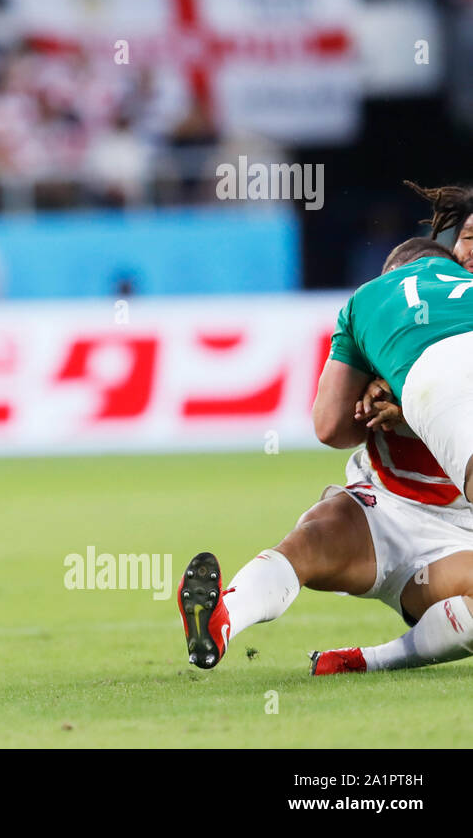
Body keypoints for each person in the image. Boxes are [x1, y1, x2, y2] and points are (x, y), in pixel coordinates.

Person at [179, 232, 473, 675]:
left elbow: (328, 426)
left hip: (408, 522)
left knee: (306, 545)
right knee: (312, 539)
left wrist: (396, 401)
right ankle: (224, 622)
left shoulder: (368, 308)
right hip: (403, 517)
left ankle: (233, 619)